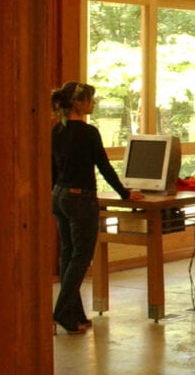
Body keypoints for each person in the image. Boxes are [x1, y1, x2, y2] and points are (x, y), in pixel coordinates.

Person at [49, 81, 141, 335]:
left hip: (59, 196)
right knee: (81, 257)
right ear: (79, 103)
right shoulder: (88, 133)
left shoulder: (56, 131)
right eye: (90, 99)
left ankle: (73, 317)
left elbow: (52, 168)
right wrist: (125, 194)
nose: (94, 103)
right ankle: (59, 311)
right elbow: (104, 167)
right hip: (81, 198)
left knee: (68, 255)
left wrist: (55, 193)